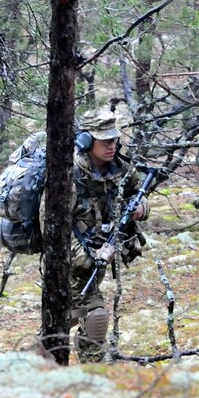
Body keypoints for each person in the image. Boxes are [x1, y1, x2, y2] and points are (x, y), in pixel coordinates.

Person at [69, 109, 150, 363]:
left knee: (81, 315)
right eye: (104, 140)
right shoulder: (69, 174)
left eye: (113, 139)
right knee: (87, 316)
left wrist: (141, 208)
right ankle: (39, 369)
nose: (111, 145)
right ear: (85, 141)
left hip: (101, 255)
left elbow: (138, 193)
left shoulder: (122, 168)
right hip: (69, 259)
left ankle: (91, 375)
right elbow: (51, 228)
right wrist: (88, 255)